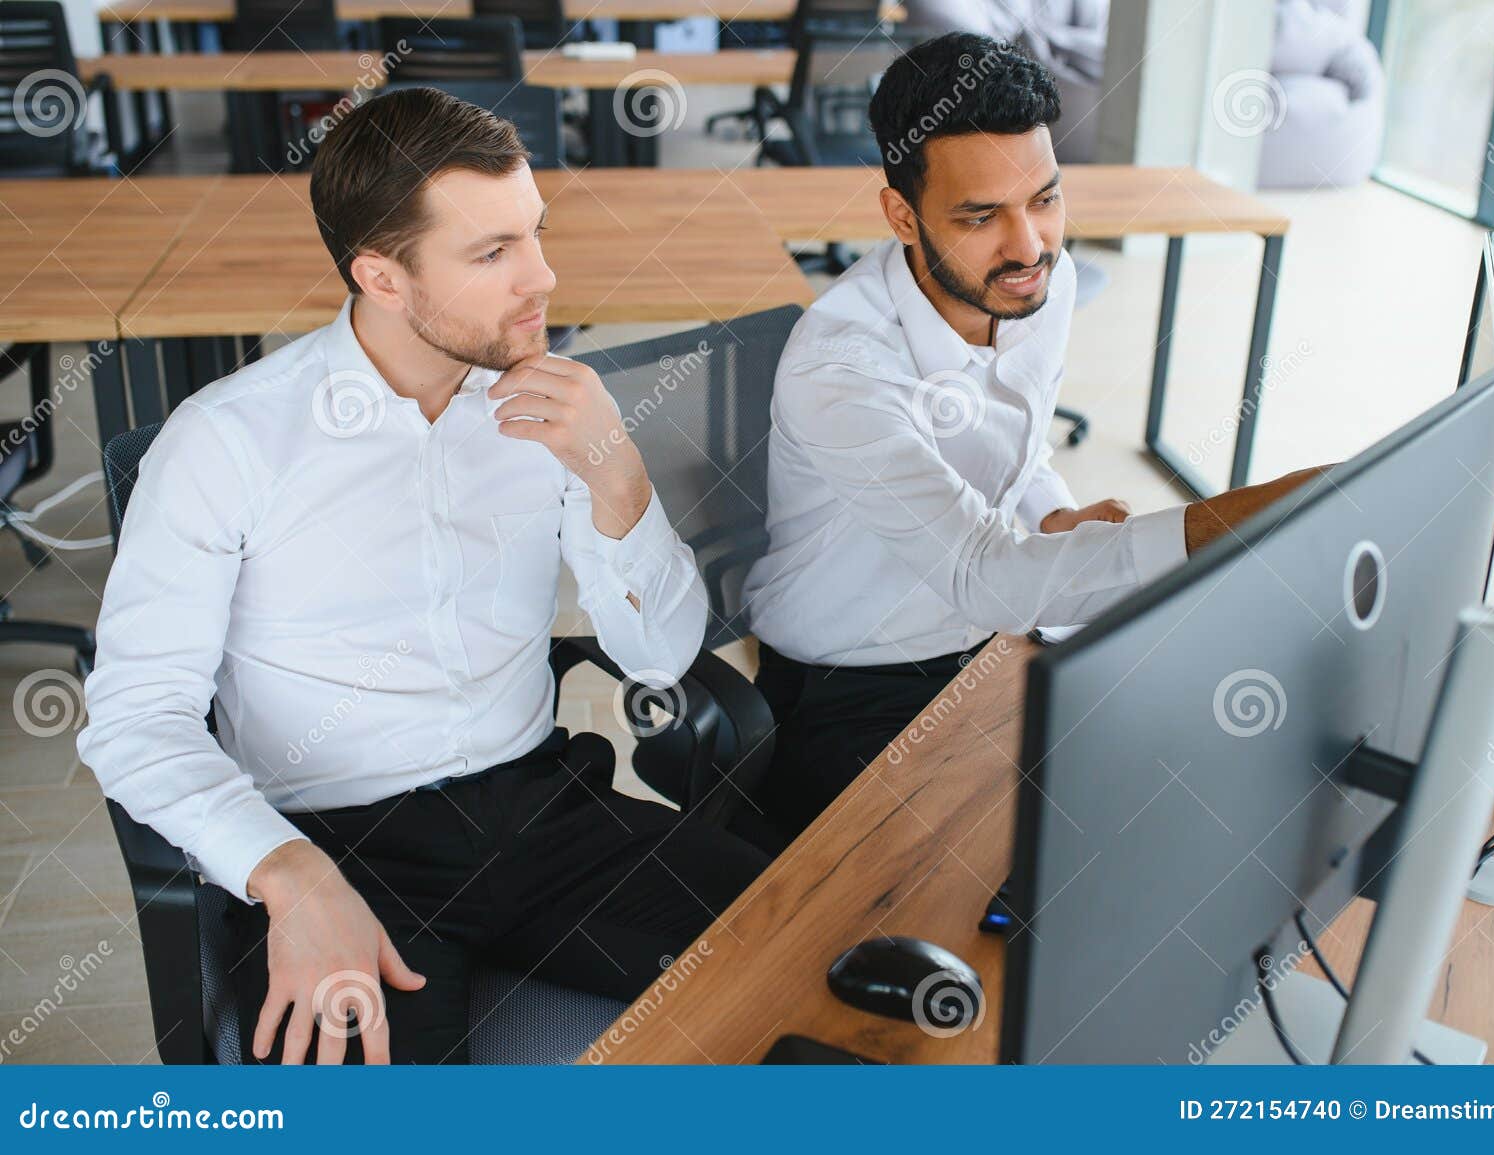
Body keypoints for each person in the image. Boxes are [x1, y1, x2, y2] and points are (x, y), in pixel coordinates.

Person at [77, 88, 768, 1065]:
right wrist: (289, 875)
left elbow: (656, 656)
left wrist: (620, 479)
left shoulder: (556, 408)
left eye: (534, 234)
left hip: (544, 811)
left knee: (815, 968)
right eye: (492, 254)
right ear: (382, 277)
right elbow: (136, 720)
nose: (543, 277)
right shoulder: (225, 444)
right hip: (343, 845)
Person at [739, 33, 1324, 853]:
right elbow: (984, 576)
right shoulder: (843, 372)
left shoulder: (1040, 284)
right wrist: (1227, 525)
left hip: (990, 640)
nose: (1029, 247)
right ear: (901, 216)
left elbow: (1017, 450)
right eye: (982, 216)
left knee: (1193, 768)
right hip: (853, 686)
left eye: (1044, 199)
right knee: (1006, 881)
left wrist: (1052, 510)